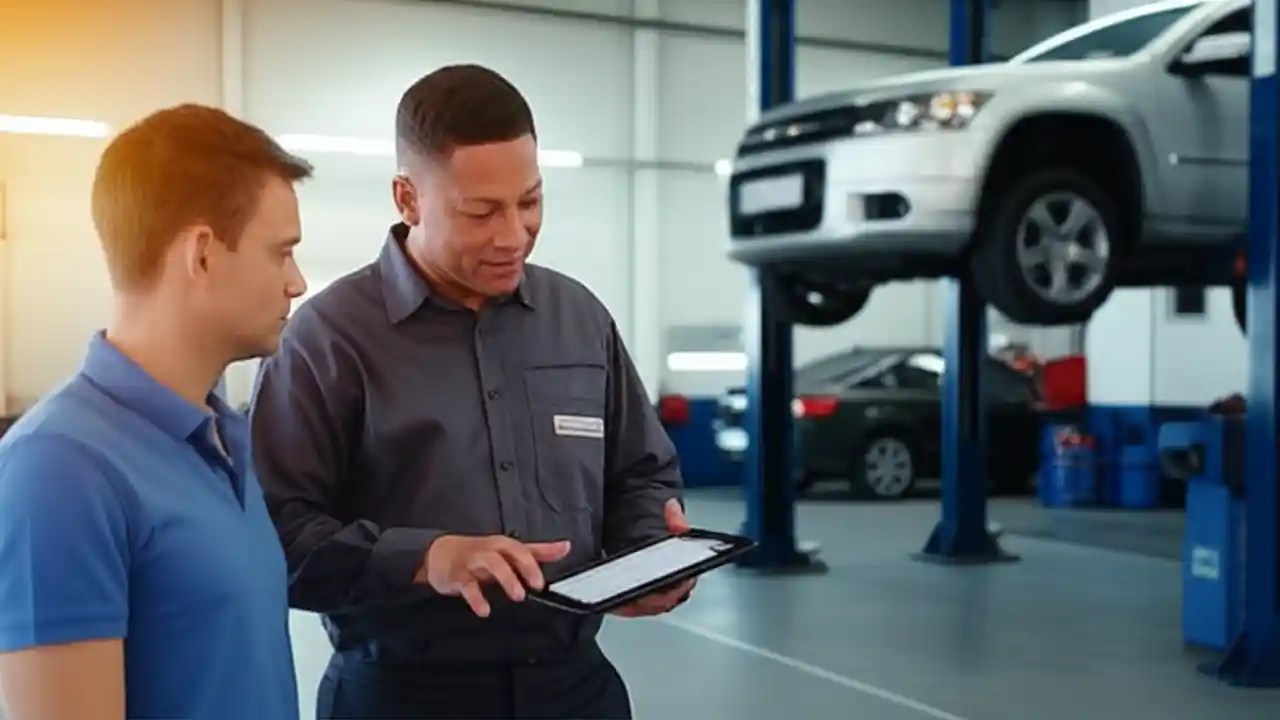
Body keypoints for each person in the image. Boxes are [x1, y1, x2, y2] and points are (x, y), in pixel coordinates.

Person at [249, 64, 691, 720]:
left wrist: (651, 549)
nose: (512, 235)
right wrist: (425, 558)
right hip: (403, 697)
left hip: (575, 690)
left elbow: (641, 475)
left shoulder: (580, 319)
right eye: (481, 212)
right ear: (407, 198)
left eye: (530, 203)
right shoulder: (328, 340)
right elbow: (273, 536)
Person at [0, 104, 312, 720]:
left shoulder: (220, 439)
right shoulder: (59, 470)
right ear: (202, 254)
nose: (296, 282)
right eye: (281, 253)